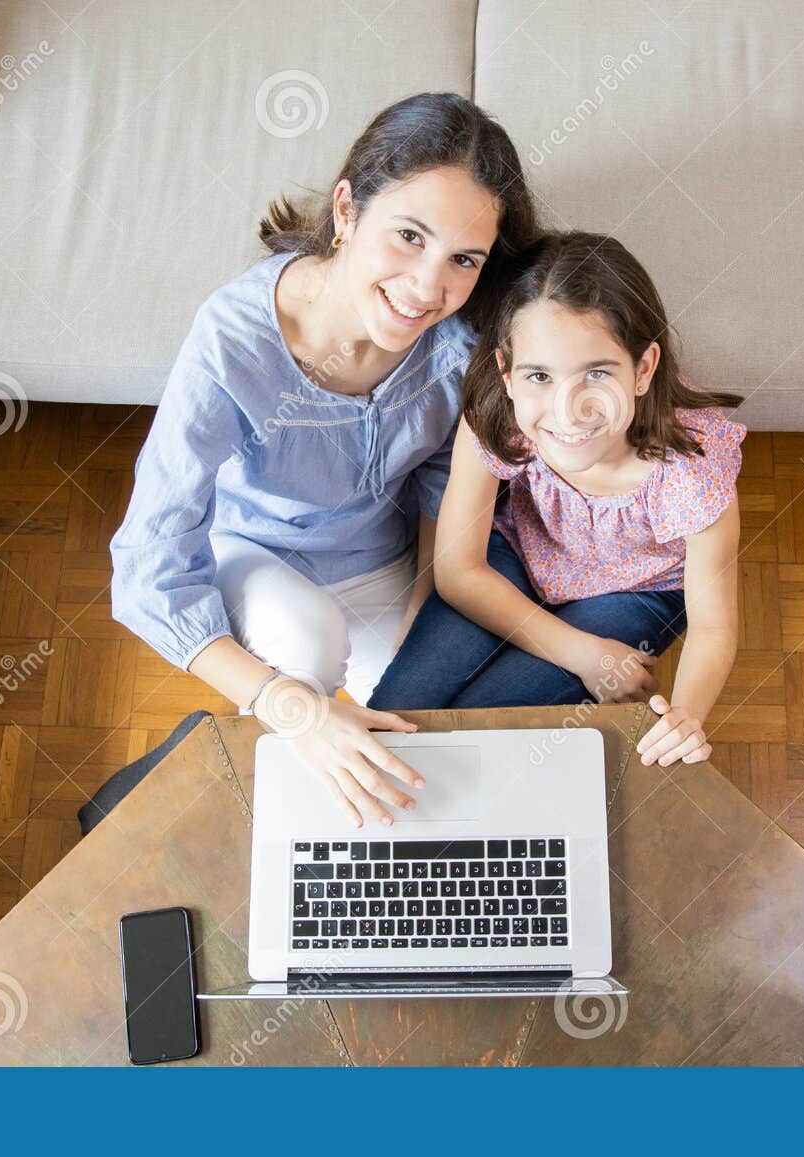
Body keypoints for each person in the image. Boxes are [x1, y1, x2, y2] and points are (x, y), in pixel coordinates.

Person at [110, 93, 537, 828]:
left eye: (461, 258)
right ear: (347, 211)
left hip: (386, 560)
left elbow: (442, 474)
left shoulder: (460, 337)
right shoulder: (231, 342)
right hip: (258, 554)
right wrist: (296, 709)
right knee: (311, 669)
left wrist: (420, 627)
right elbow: (147, 566)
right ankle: (156, 807)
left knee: (444, 760)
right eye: (408, 236)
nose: (428, 287)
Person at [368, 232, 746, 769]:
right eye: (540, 376)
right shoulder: (500, 411)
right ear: (507, 372)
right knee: (395, 716)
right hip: (519, 553)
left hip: (635, 588)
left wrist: (685, 717)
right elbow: (458, 570)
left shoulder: (690, 467)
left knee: (488, 729)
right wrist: (584, 654)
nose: (568, 413)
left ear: (642, 369)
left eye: (596, 372)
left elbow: (713, 624)